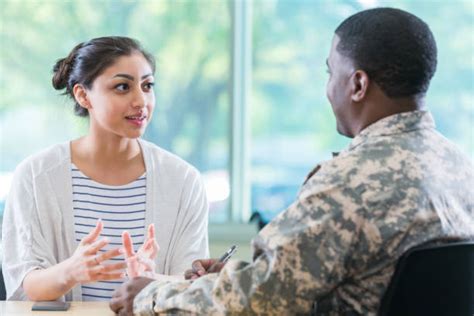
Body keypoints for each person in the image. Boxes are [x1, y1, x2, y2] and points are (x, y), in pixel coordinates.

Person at [110, 7, 474, 315]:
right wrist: (233, 277)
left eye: (331, 72)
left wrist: (150, 296)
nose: (329, 88)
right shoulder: (461, 168)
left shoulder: (348, 183)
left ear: (358, 85)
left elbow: (264, 297)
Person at [1, 36, 209, 301]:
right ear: (83, 94)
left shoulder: (183, 181)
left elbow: (191, 287)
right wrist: (71, 271)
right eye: (123, 87)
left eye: (147, 86)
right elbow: (23, 285)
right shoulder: (34, 176)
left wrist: (153, 281)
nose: (141, 101)